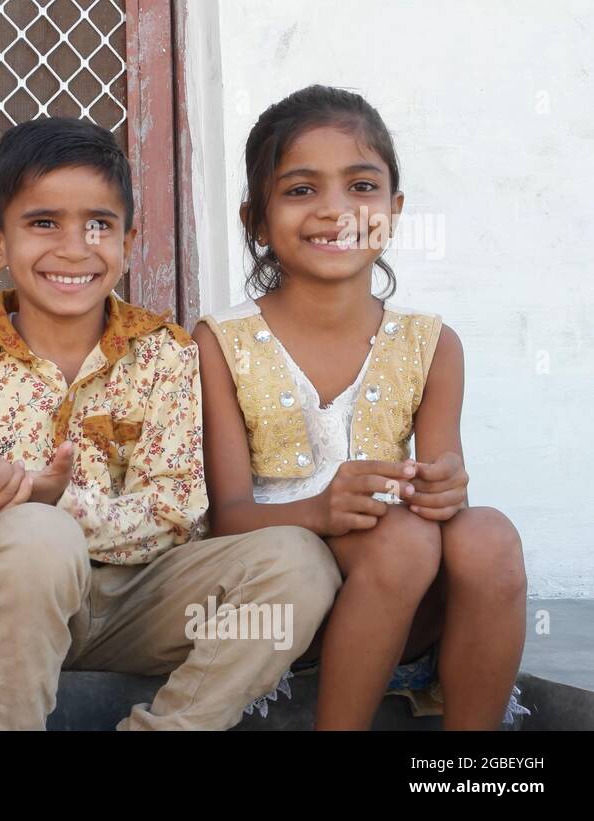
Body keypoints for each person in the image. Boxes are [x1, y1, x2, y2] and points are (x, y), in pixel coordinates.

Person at [0, 116, 340, 731]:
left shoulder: (165, 355)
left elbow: (179, 512)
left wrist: (63, 504)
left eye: (98, 224)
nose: (74, 248)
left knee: (300, 561)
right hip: (6, 614)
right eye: (43, 223)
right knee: (34, 538)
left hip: (143, 607)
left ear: (129, 241)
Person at [194, 85, 527, 729]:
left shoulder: (432, 344)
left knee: (488, 537)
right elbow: (225, 519)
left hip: (406, 605)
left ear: (394, 210)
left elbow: (441, 496)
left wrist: (443, 488)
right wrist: (322, 511)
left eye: (362, 186)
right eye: (299, 190)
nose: (335, 211)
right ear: (255, 221)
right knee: (400, 538)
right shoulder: (220, 343)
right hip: (280, 608)